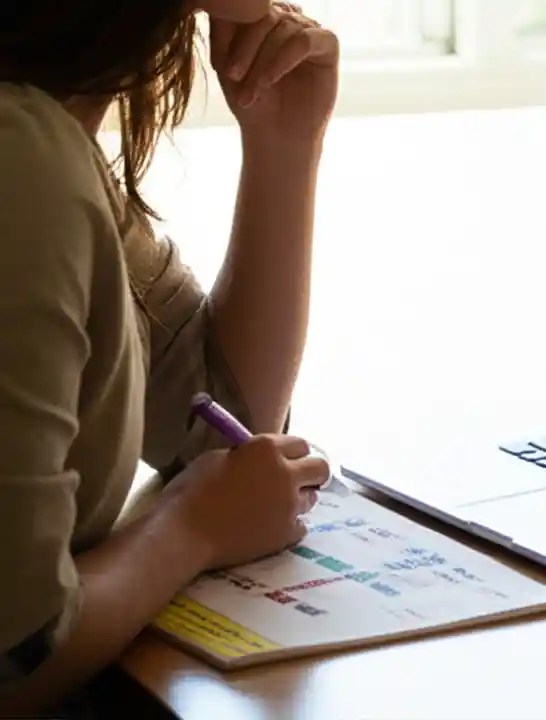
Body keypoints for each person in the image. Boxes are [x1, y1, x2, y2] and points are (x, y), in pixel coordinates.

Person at [0, 1, 339, 713]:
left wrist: (285, 139)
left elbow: (219, 419)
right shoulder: (22, 155)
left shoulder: (46, 125)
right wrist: (189, 528)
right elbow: (14, 658)